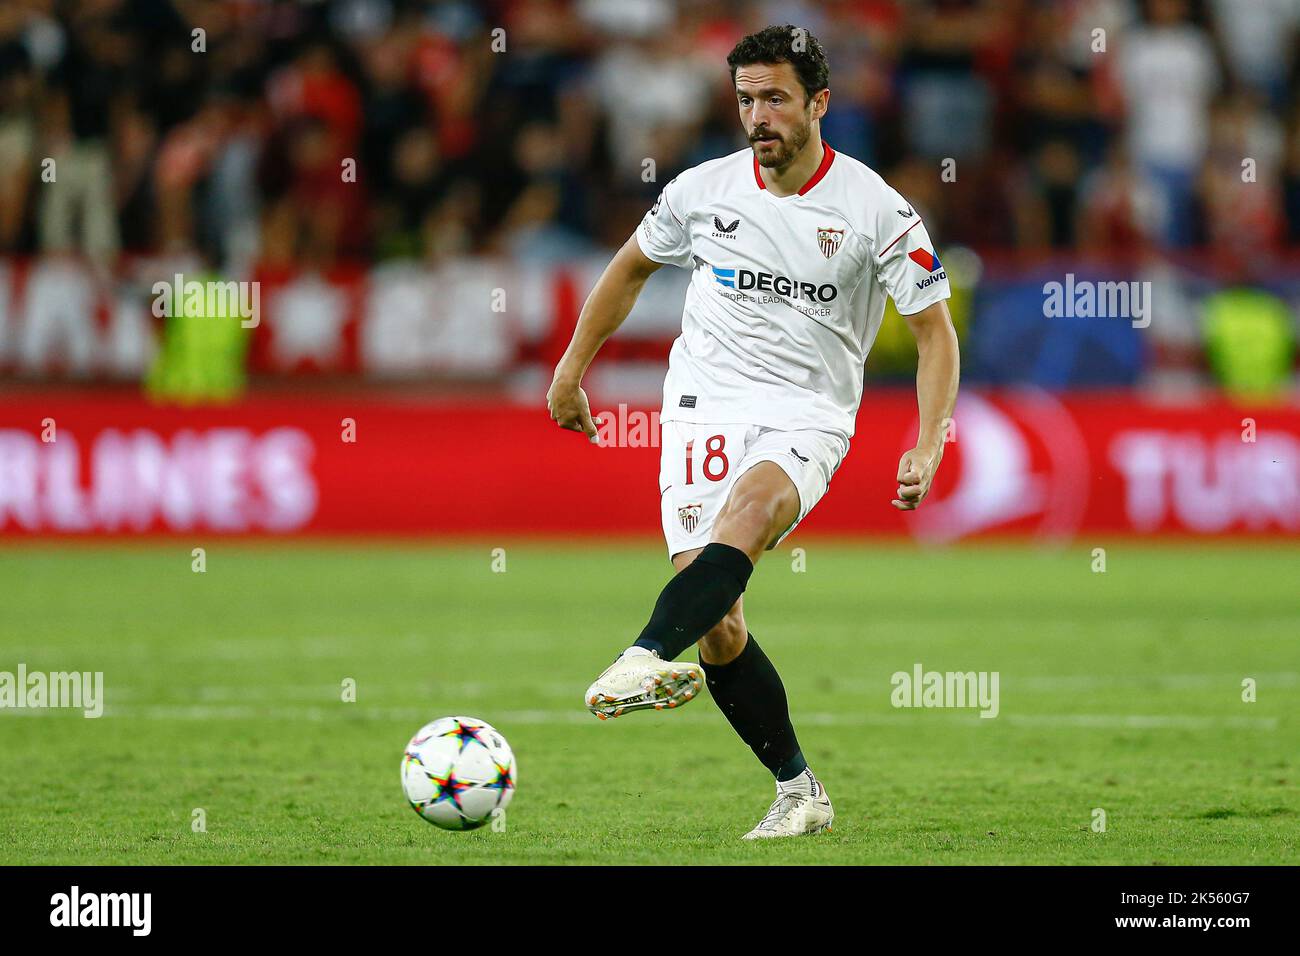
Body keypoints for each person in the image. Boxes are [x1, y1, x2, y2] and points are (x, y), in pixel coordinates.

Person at [546, 24, 960, 839]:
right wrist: (568, 370)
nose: (758, 116)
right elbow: (630, 267)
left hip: (809, 412)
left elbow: (936, 333)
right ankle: (799, 791)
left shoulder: (878, 210)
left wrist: (928, 438)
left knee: (751, 515)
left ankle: (640, 654)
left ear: (819, 104)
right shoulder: (704, 191)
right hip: (703, 406)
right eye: (745, 100)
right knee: (721, 621)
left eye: (775, 98)